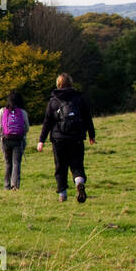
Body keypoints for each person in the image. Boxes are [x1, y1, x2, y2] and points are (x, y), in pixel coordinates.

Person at [36, 73, 95, 202]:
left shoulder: (53, 100)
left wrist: (41, 140)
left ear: (58, 84)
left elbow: (47, 122)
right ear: (71, 83)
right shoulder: (79, 98)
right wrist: (91, 134)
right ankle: (79, 182)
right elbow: (87, 117)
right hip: (76, 137)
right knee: (77, 165)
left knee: (60, 166)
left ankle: (62, 194)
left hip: (58, 139)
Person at [0, 91, 29, 190]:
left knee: (8, 163)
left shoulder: (2, 111)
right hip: (18, 140)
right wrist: (22, 133)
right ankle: (15, 185)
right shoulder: (22, 112)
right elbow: (27, 127)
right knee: (16, 163)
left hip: (5, 140)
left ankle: (6, 185)